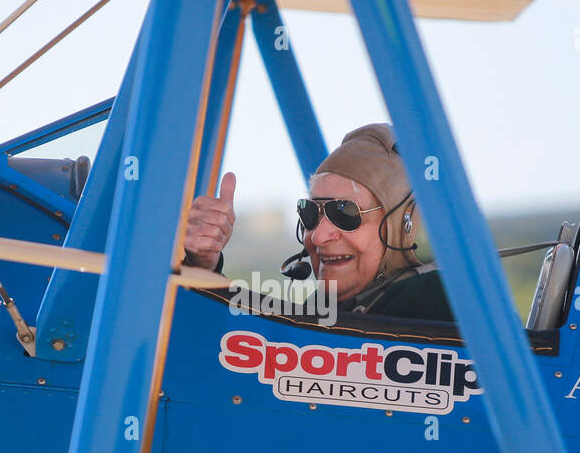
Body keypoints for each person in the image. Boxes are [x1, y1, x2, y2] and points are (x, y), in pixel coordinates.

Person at [182, 123, 454, 323]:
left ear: (406, 227)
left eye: (345, 213)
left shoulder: (438, 307)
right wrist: (203, 264)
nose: (319, 236)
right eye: (310, 212)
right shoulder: (336, 308)